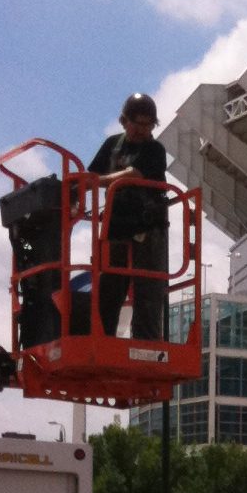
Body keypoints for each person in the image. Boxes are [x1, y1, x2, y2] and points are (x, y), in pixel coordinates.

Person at [86, 93, 169, 340]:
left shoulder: (154, 150)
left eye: (148, 125)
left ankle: (146, 345)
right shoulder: (113, 145)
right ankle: (102, 341)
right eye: (138, 124)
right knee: (109, 289)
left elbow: (133, 174)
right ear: (124, 121)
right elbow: (90, 176)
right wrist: (73, 193)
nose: (143, 130)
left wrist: (99, 181)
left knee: (148, 293)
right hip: (117, 229)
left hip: (148, 229)